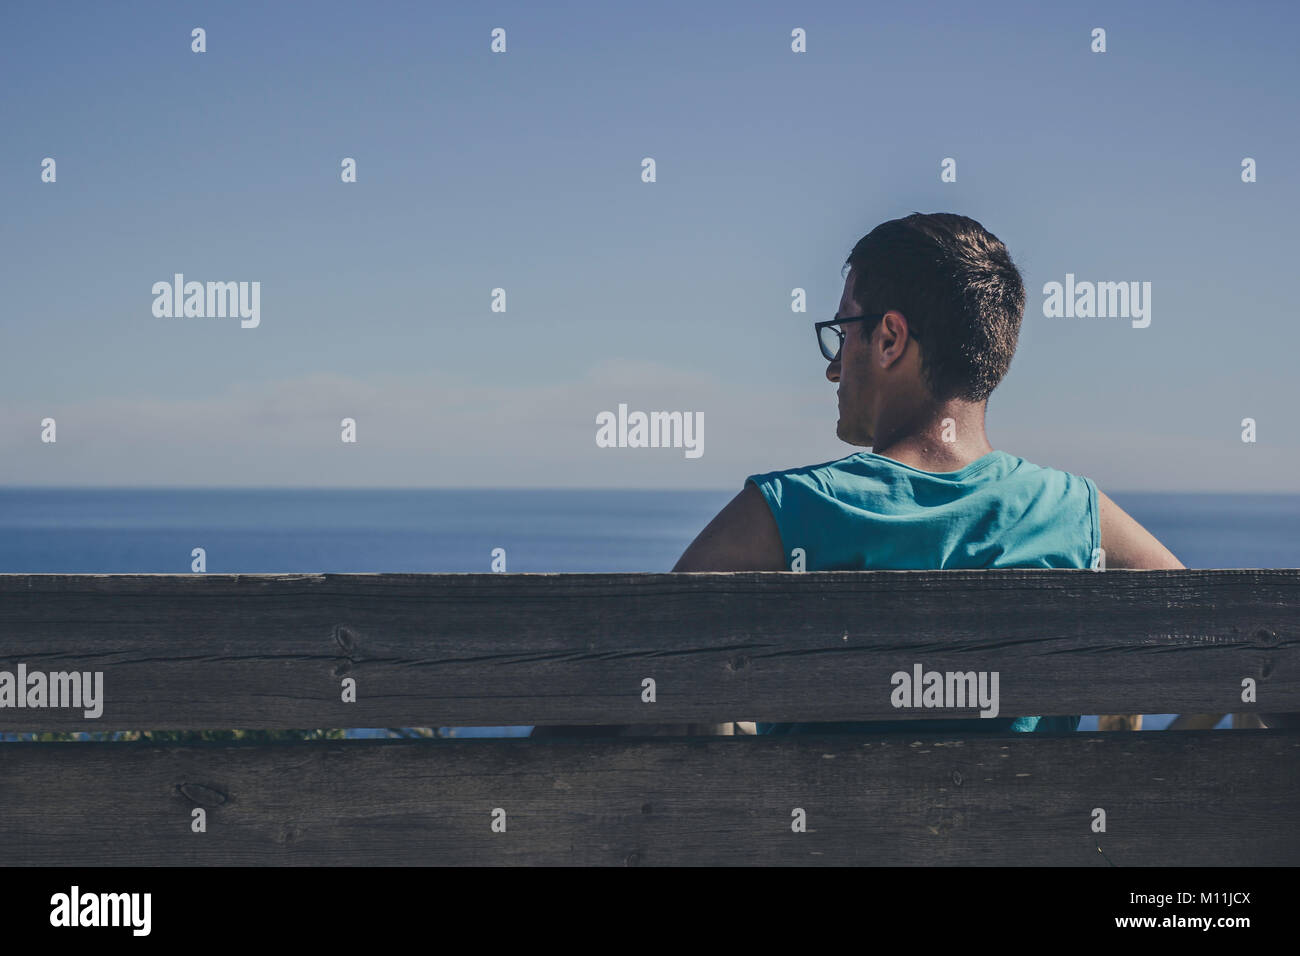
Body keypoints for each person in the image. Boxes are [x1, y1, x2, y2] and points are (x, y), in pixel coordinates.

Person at [532, 211, 1185, 740]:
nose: (832, 367)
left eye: (842, 331)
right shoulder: (1075, 515)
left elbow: (622, 682)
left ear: (890, 338)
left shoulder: (785, 513)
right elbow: (1224, 637)